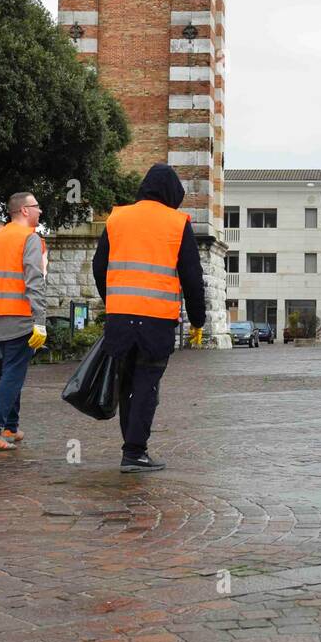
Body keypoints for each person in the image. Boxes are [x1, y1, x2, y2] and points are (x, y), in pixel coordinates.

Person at [92, 164, 205, 472]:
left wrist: (113, 300)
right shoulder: (177, 223)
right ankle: (134, 452)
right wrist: (198, 320)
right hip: (155, 322)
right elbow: (193, 278)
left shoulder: (117, 218)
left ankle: (132, 449)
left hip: (119, 320)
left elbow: (98, 266)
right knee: (147, 385)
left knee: (127, 383)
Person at [0, 191, 47, 452]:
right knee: (14, 376)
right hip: (20, 317)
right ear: (25, 211)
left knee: (11, 371)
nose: (40, 211)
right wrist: (39, 320)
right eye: (37, 206)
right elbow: (34, 281)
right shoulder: (30, 239)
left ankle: (11, 427)